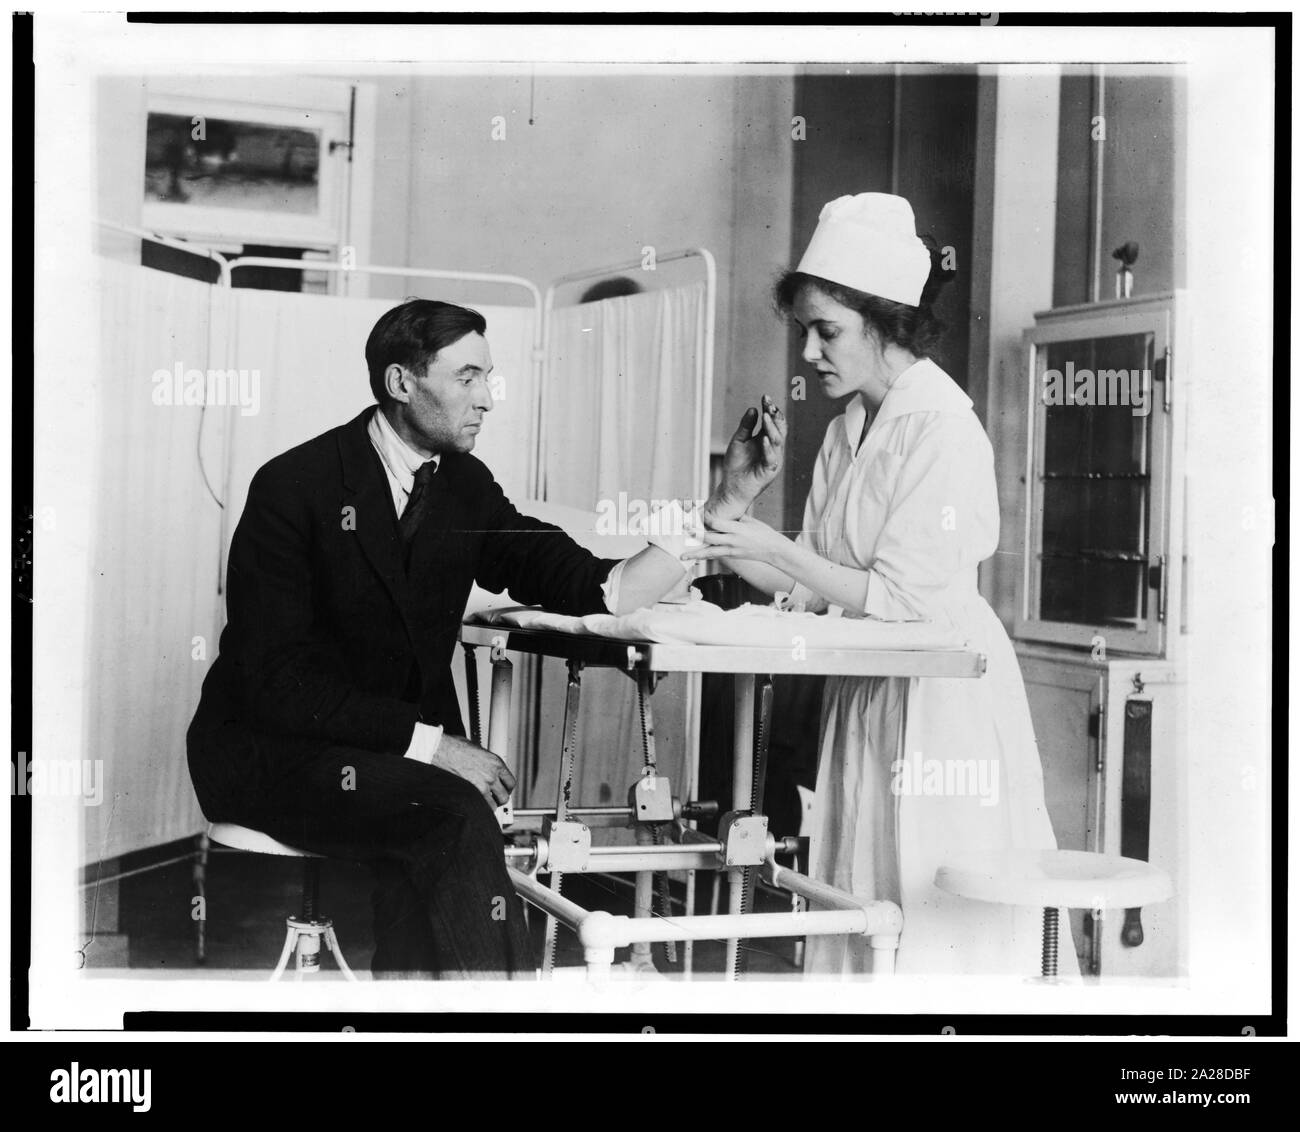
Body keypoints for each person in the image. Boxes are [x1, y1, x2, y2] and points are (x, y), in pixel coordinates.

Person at [187, 299, 686, 979]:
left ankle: (419, 1003)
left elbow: (591, 584)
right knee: (448, 810)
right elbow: (275, 681)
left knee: (434, 813)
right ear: (402, 384)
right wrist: (434, 745)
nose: (487, 400)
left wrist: (716, 513)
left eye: (487, 379)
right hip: (270, 753)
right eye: (468, 378)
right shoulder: (293, 486)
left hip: (381, 758)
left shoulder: (463, 487)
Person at [686, 193, 1064, 976]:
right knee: (861, 897)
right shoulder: (846, 428)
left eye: (827, 331)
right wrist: (733, 506)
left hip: (942, 695)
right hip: (867, 689)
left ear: (886, 323)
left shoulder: (944, 428)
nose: (809, 354)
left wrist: (781, 554)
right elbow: (815, 587)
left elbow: (902, 596)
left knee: (936, 898)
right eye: (805, 333)